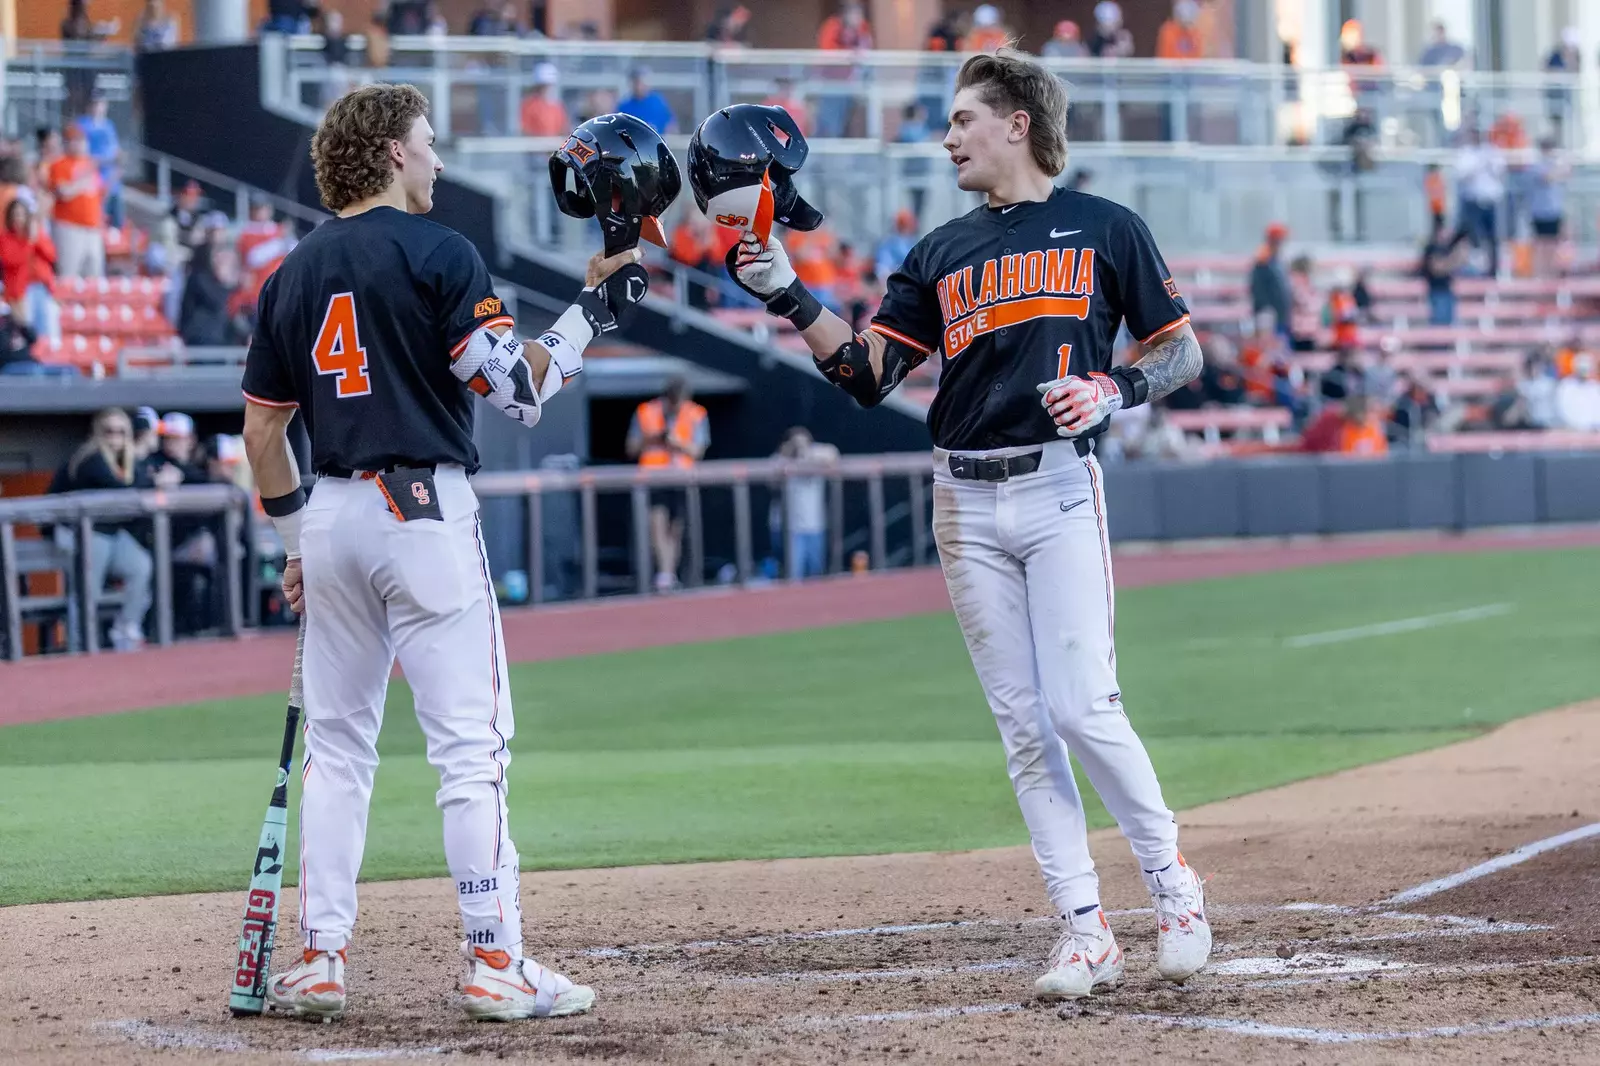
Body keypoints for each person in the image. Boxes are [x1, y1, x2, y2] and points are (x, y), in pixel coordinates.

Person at [713, 48, 1211, 1002]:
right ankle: (1082, 928)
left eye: (961, 121)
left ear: (1017, 122)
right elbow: (863, 374)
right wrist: (786, 291)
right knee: (1024, 727)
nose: (946, 139)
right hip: (965, 499)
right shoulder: (940, 251)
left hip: (1060, 486)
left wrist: (1115, 385)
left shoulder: (1108, 227)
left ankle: (1172, 887)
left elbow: (1180, 348)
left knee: (1081, 706)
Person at [241, 82, 647, 1024]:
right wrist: (592, 312)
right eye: (426, 142)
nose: (435, 157)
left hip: (332, 512)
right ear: (390, 152)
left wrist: (295, 540)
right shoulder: (441, 251)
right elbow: (514, 393)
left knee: (338, 751)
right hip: (423, 508)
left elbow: (263, 438)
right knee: (470, 750)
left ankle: (321, 957)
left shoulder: (288, 273)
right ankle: (493, 959)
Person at [49, 408, 154, 651]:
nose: (115, 437)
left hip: (106, 533)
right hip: (76, 532)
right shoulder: (90, 458)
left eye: (121, 431)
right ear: (98, 432)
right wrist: (146, 469)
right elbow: (118, 486)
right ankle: (80, 644)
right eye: (109, 431)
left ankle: (126, 630)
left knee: (140, 567)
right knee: (89, 590)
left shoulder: (125, 460)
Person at [625, 376, 709, 590]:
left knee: (675, 529)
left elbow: (697, 451)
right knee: (656, 525)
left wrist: (676, 443)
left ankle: (668, 573)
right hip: (654, 477)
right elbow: (631, 448)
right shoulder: (647, 411)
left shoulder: (696, 413)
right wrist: (654, 438)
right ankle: (665, 574)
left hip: (681, 478)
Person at [774, 426, 837, 578]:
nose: (799, 446)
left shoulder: (817, 455)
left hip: (815, 526)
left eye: (803, 441)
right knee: (794, 575)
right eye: (795, 442)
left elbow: (832, 454)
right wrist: (789, 452)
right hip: (792, 529)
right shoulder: (782, 459)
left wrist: (806, 452)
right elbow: (772, 478)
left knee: (816, 574)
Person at [0, 198, 62, 343]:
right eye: (15, 215)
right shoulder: (5, 238)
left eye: (22, 214)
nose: (19, 219)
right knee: (29, 332)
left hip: (41, 287)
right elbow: (12, 260)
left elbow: (51, 255)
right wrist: (29, 241)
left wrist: (36, 237)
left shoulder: (36, 233)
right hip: (20, 292)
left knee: (47, 331)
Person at [47, 126, 105, 279]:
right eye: (75, 140)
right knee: (68, 275)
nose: (80, 144)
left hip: (92, 228)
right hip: (69, 227)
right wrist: (84, 178)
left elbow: (99, 194)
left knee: (94, 275)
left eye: (82, 140)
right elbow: (63, 192)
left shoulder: (90, 165)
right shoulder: (60, 164)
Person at [1455, 127, 1505, 277]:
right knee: (1473, 237)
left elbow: (1500, 171)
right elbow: (1462, 174)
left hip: (1489, 201)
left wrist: (1487, 162)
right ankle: (1474, 270)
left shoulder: (1493, 152)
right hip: (1473, 201)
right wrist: (1478, 164)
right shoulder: (1466, 153)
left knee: (1492, 238)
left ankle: (1493, 271)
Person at [75, 92, 123, 229]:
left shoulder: (109, 126)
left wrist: (117, 165)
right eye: (95, 104)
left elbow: (115, 151)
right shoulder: (82, 124)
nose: (98, 108)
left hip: (111, 180)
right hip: (92, 179)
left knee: (115, 221)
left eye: (101, 104)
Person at [1526, 138, 1568, 279]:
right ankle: (1540, 273)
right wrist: (1559, 169)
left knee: (1553, 244)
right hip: (1540, 211)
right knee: (1540, 244)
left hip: (1554, 210)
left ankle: (1551, 273)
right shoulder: (1536, 166)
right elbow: (1547, 177)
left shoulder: (1555, 164)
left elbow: (1566, 173)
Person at [1420, 217, 1468, 326]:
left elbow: (1460, 264)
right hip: (1437, 292)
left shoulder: (1446, 248)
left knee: (1448, 325)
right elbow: (1437, 268)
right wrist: (1453, 259)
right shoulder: (1432, 248)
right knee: (1439, 326)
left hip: (1447, 291)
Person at [1248, 222, 1290, 337]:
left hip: (1281, 316)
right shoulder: (1263, 260)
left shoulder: (1277, 260)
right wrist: (1266, 308)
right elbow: (1257, 289)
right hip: (1268, 315)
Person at [617, 66, 674, 135]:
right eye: (636, 82)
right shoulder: (625, 106)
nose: (639, 86)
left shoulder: (658, 102)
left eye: (641, 82)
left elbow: (671, 125)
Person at [519, 63, 570, 136]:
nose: (547, 89)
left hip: (554, 145)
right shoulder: (529, 105)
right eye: (544, 86)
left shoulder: (556, 106)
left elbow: (563, 129)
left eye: (549, 85)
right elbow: (525, 130)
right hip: (535, 145)